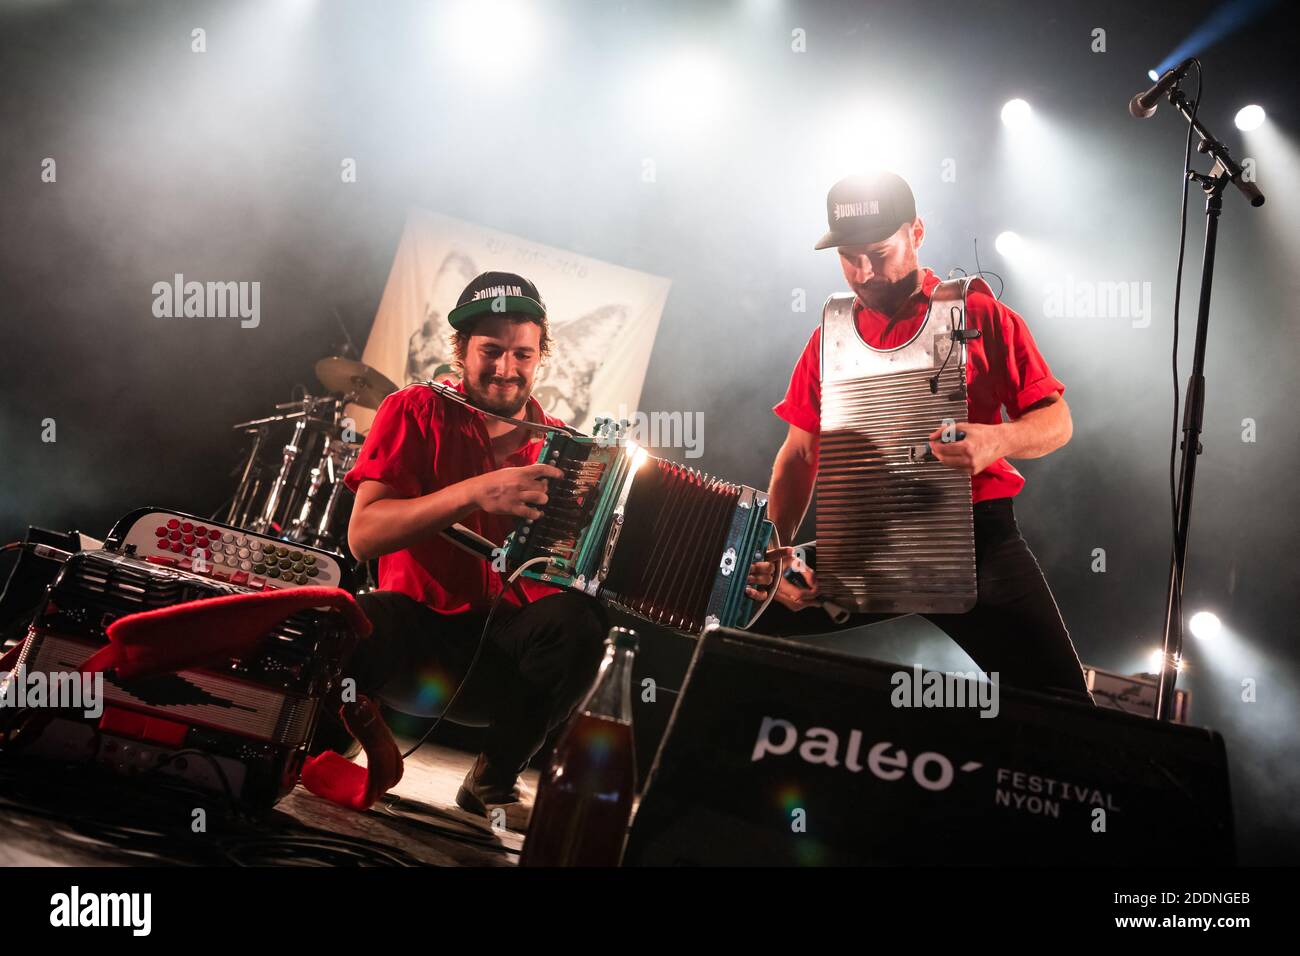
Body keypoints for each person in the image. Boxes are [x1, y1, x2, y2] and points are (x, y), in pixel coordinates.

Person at [754, 171, 1093, 703]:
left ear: (917, 232)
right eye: (848, 256)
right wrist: (778, 553)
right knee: (740, 612)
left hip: (976, 542)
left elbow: (1056, 421)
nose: (865, 272)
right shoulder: (829, 337)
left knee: (1065, 707)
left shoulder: (979, 314)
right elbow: (798, 455)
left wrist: (995, 441)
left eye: (879, 252)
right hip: (863, 545)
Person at [329, 271, 611, 827]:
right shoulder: (412, 408)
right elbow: (362, 537)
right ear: (459, 350)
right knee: (363, 614)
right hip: (412, 650)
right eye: (491, 350)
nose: (507, 369)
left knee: (581, 620)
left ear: (541, 357)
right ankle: (337, 743)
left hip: (501, 668)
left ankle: (493, 779)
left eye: (522, 354)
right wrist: (477, 492)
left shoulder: (569, 450)